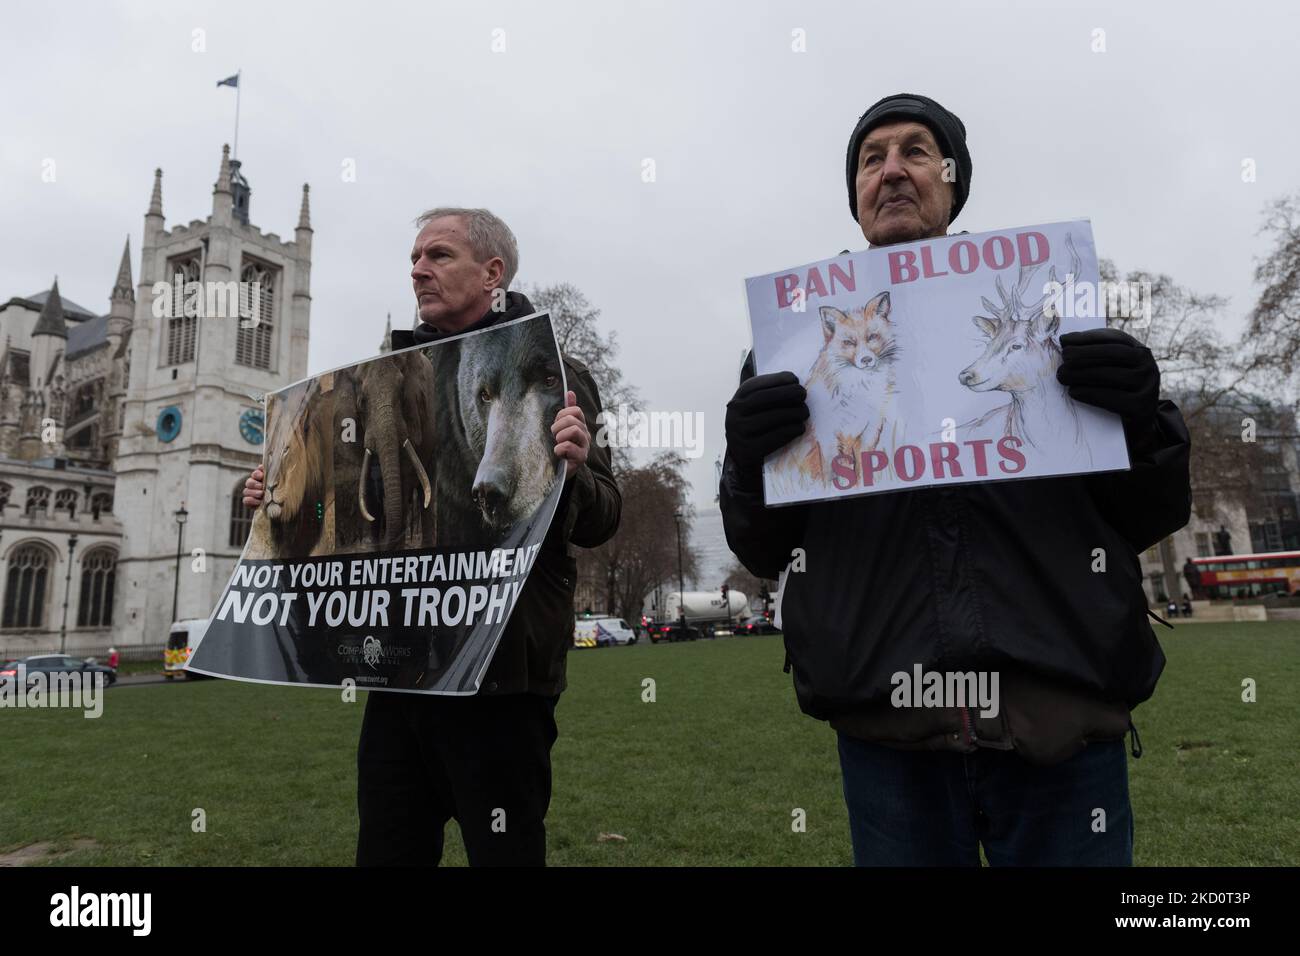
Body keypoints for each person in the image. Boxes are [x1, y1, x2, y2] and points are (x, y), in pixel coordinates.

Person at [720, 93, 1191, 866]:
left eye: (916, 152)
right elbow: (764, 548)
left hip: (1058, 722)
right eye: (872, 159)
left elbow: (1151, 511)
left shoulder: (1049, 313)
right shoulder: (794, 344)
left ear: (953, 180)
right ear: (856, 195)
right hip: (890, 734)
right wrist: (746, 463)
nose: (893, 170)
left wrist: (1144, 418)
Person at [244, 207, 621, 866]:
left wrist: (577, 471)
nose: (418, 269)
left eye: (439, 255)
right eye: (415, 258)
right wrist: (276, 500)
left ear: (493, 272)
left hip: (502, 686)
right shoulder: (386, 380)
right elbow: (354, 511)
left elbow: (603, 516)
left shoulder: (559, 371)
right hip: (401, 675)